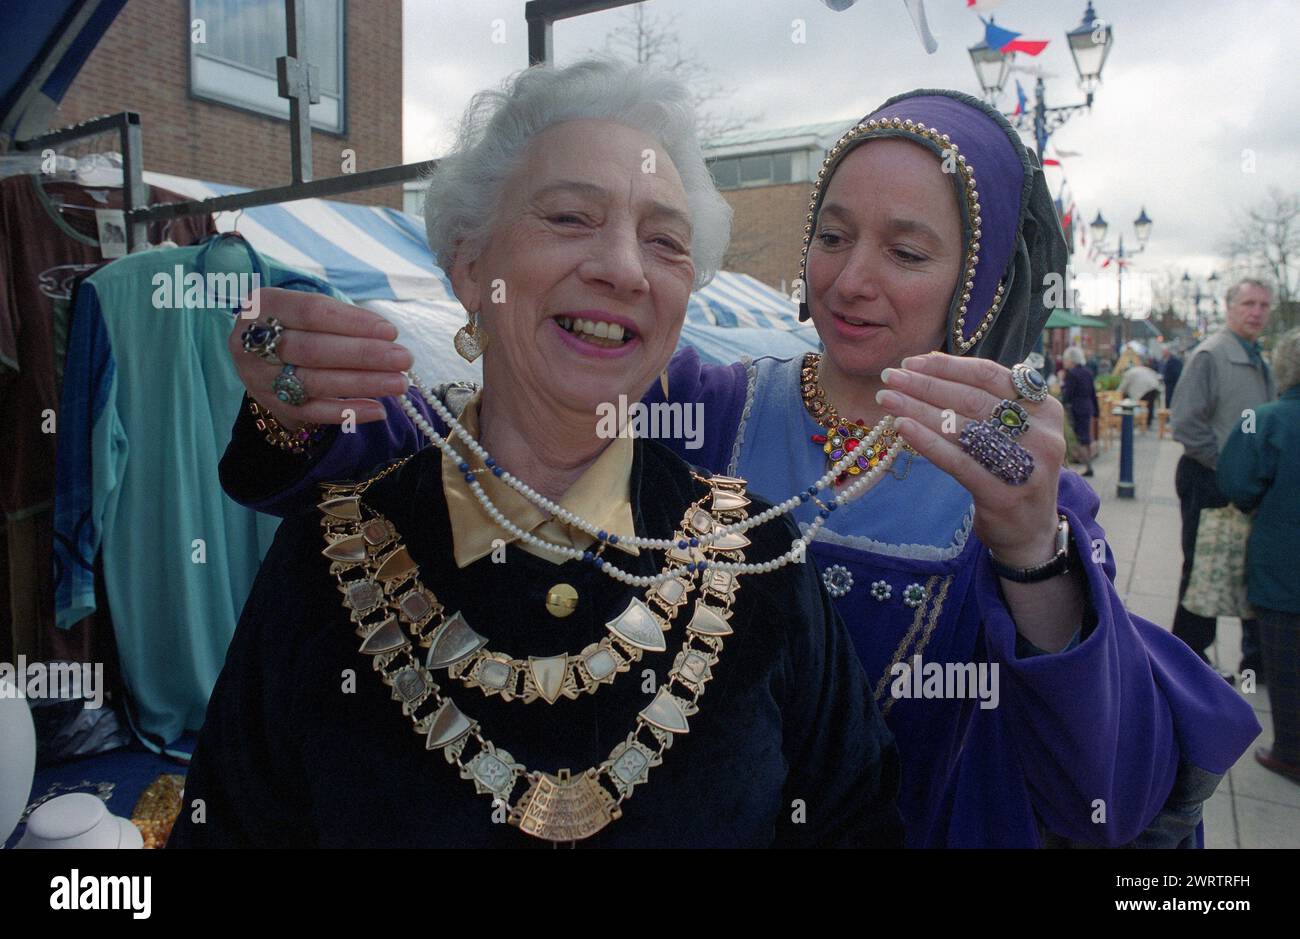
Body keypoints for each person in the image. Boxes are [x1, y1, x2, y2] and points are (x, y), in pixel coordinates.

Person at [218, 87, 1260, 848]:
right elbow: (481, 449)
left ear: (973, 282)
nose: (851, 280)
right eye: (834, 235)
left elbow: (1092, 788)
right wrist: (297, 404)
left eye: (905, 252)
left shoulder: (1018, 480)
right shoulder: (703, 404)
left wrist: (1032, 546)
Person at [167, 60, 902, 848]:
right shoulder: (327, 561)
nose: (622, 267)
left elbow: (856, 825)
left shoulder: (760, 563)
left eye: (665, 241)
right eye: (569, 218)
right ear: (470, 267)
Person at [1170, 278, 1276, 675]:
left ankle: (1256, 659)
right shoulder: (1212, 355)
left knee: (1242, 566)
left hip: (1246, 483)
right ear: (1229, 308)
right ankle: (1187, 657)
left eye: (1264, 305)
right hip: (1208, 478)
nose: (1257, 312)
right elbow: (1186, 424)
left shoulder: (1256, 356)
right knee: (1202, 569)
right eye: (1249, 303)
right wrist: (1229, 468)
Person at [1217, 327, 1300, 784]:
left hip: (1282, 569)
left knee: (1285, 663)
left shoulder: (1266, 420)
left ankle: (1290, 750)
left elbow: (1236, 482)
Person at [1061, 346, 1098, 475]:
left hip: (1076, 407)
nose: (1064, 362)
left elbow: (1068, 394)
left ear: (1071, 360)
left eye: (1066, 359)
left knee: (1079, 437)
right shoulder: (1088, 372)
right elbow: (1093, 393)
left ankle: (1087, 466)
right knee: (1086, 437)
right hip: (1088, 406)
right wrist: (1096, 410)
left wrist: (1062, 387)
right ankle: (1088, 463)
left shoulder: (1072, 374)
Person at [1118, 362, 1162, 431]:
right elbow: (1156, 375)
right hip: (1154, 386)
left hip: (1146, 389)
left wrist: (1117, 393)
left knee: (1142, 405)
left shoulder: (1129, 373)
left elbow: (1122, 387)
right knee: (1150, 406)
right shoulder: (1139, 369)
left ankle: (1142, 422)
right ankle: (1147, 422)